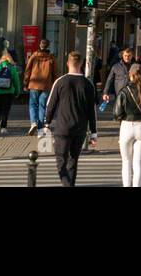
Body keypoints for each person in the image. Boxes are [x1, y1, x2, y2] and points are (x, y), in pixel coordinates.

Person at [46, 51, 98, 186]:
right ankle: (70, 184)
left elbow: (50, 105)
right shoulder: (88, 84)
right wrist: (93, 132)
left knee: (60, 159)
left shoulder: (60, 82)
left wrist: (47, 123)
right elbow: (91, 111)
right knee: (73, 159)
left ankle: (66, 184)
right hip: (80, 128)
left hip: (62, 127)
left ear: (68, 63)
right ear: (82, 64)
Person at [24, 39, 58, 135]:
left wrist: (25, 83)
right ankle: (40, 129)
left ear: (40, 45)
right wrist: (55, 85)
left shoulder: (34, 56)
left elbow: (28, 70)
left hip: (34, 84)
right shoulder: (51, 58)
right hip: (46, 85)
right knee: (42, 106)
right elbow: (55, 72)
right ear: (48, 46)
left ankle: (33, 122)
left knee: (33, 105)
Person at [0, 50, 21, 133]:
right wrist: (17, 92)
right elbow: (16, 81)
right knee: (6, 110)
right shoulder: (12, 68)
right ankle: (3, 127)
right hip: (8, 93)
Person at [102, 47, 137, 115]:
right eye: (125, 56)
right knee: (120, 112)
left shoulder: (136, 66)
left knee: (130, 112)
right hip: (119, 92)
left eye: (129, 56)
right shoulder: (116, 66)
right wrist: (105, 93)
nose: (127, 57)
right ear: (122, 56)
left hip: (132, 92)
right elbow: (109, 80)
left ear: (132, 56)